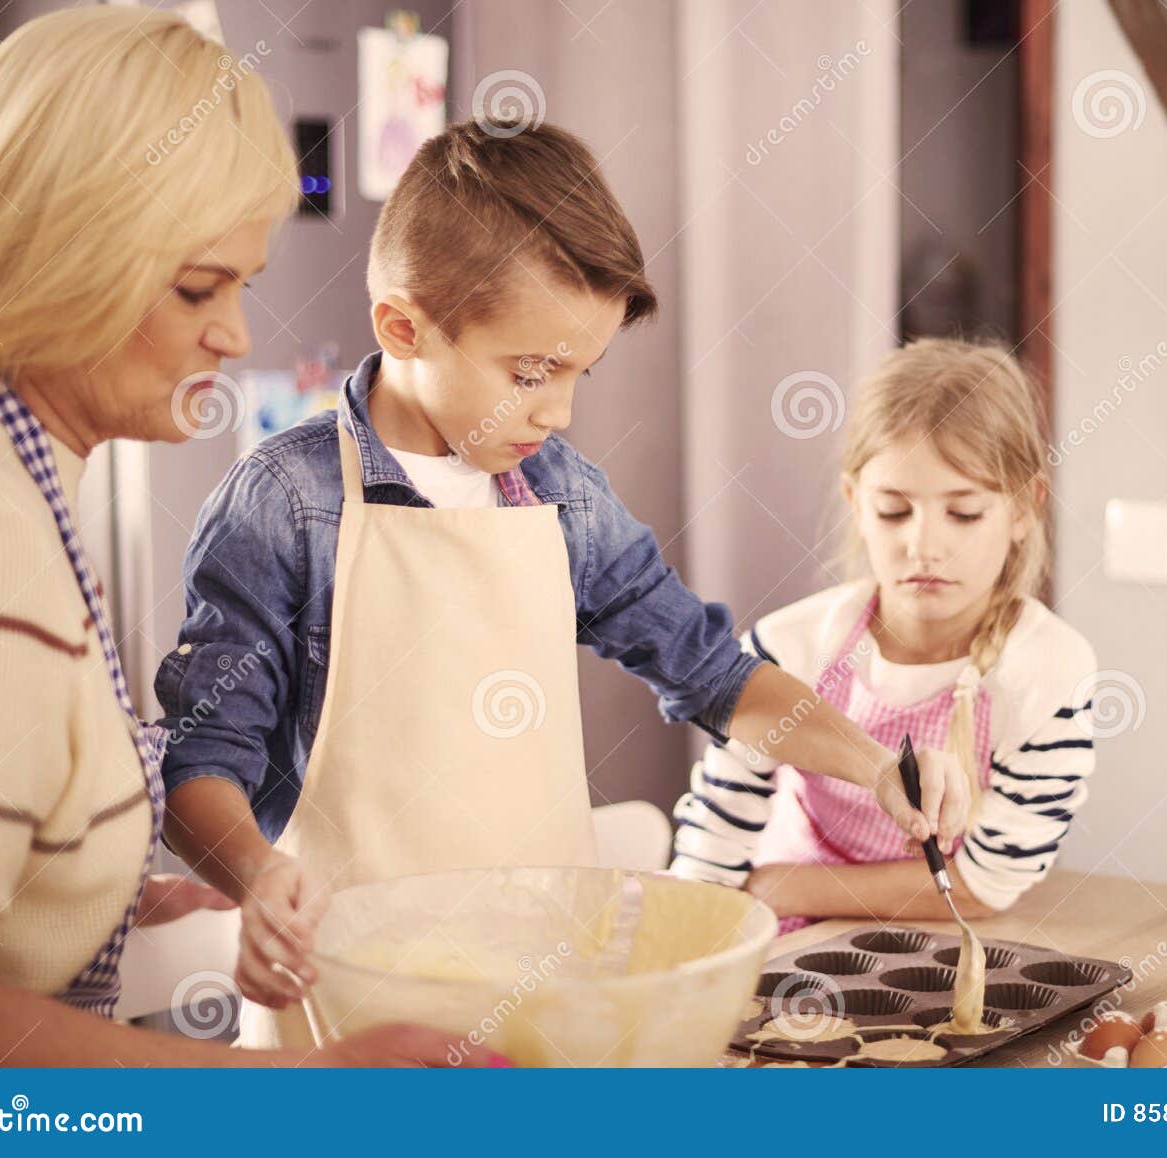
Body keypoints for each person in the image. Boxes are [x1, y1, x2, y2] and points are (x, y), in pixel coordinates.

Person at [154, 119, 954, 1048]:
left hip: (543, 1001)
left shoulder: (561, 494)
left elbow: (712, 675)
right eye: (531, 373)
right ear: (404, 326)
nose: (560, 411)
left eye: (579, 372)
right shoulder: (285, 504)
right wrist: (256, 877)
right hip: (344, 1009)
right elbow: (199, 764)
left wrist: (878, 770)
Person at [0, 7, 496, 1067]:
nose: (236, 334)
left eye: (242, 284)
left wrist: (86, 889)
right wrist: (308, 1089)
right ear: (60, 257)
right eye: (200, 288)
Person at [670, 337, 1099, 930]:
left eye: (965, 513)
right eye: (894, 511)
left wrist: (781, 886)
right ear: (855, 502)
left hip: (935, 933)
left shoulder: (1049, 669)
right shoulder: (788, 646)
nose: (924, 545)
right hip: (781, 930)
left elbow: (983, 887)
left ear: (1025, 508)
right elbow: (712, 847)